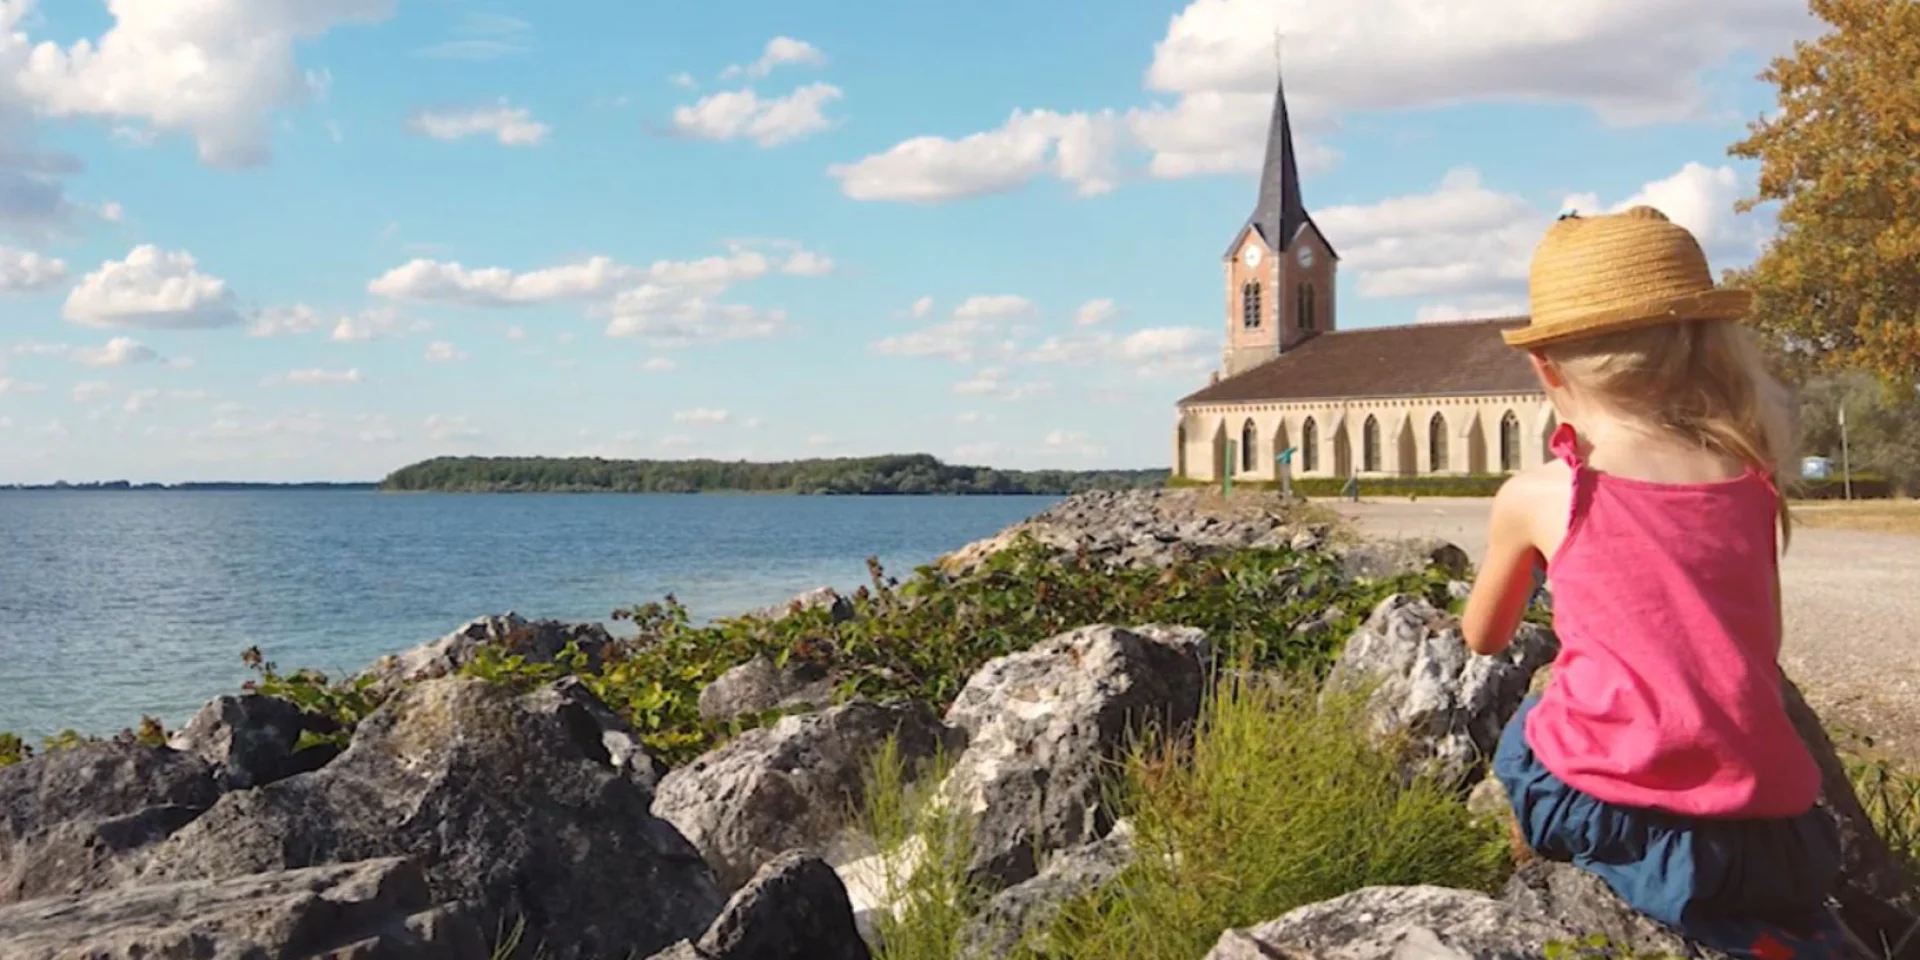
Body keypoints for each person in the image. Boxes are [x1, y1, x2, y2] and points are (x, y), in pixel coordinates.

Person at [1461, 206, 1849, 959]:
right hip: (1774, 831)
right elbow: (1755, 641)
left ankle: (1570, 879)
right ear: (1703, 350)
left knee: (1532, 724)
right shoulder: (1750, 478)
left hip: (1627, 817)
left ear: (1546, 368)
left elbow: (1484, 636)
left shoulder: (1543, 494)